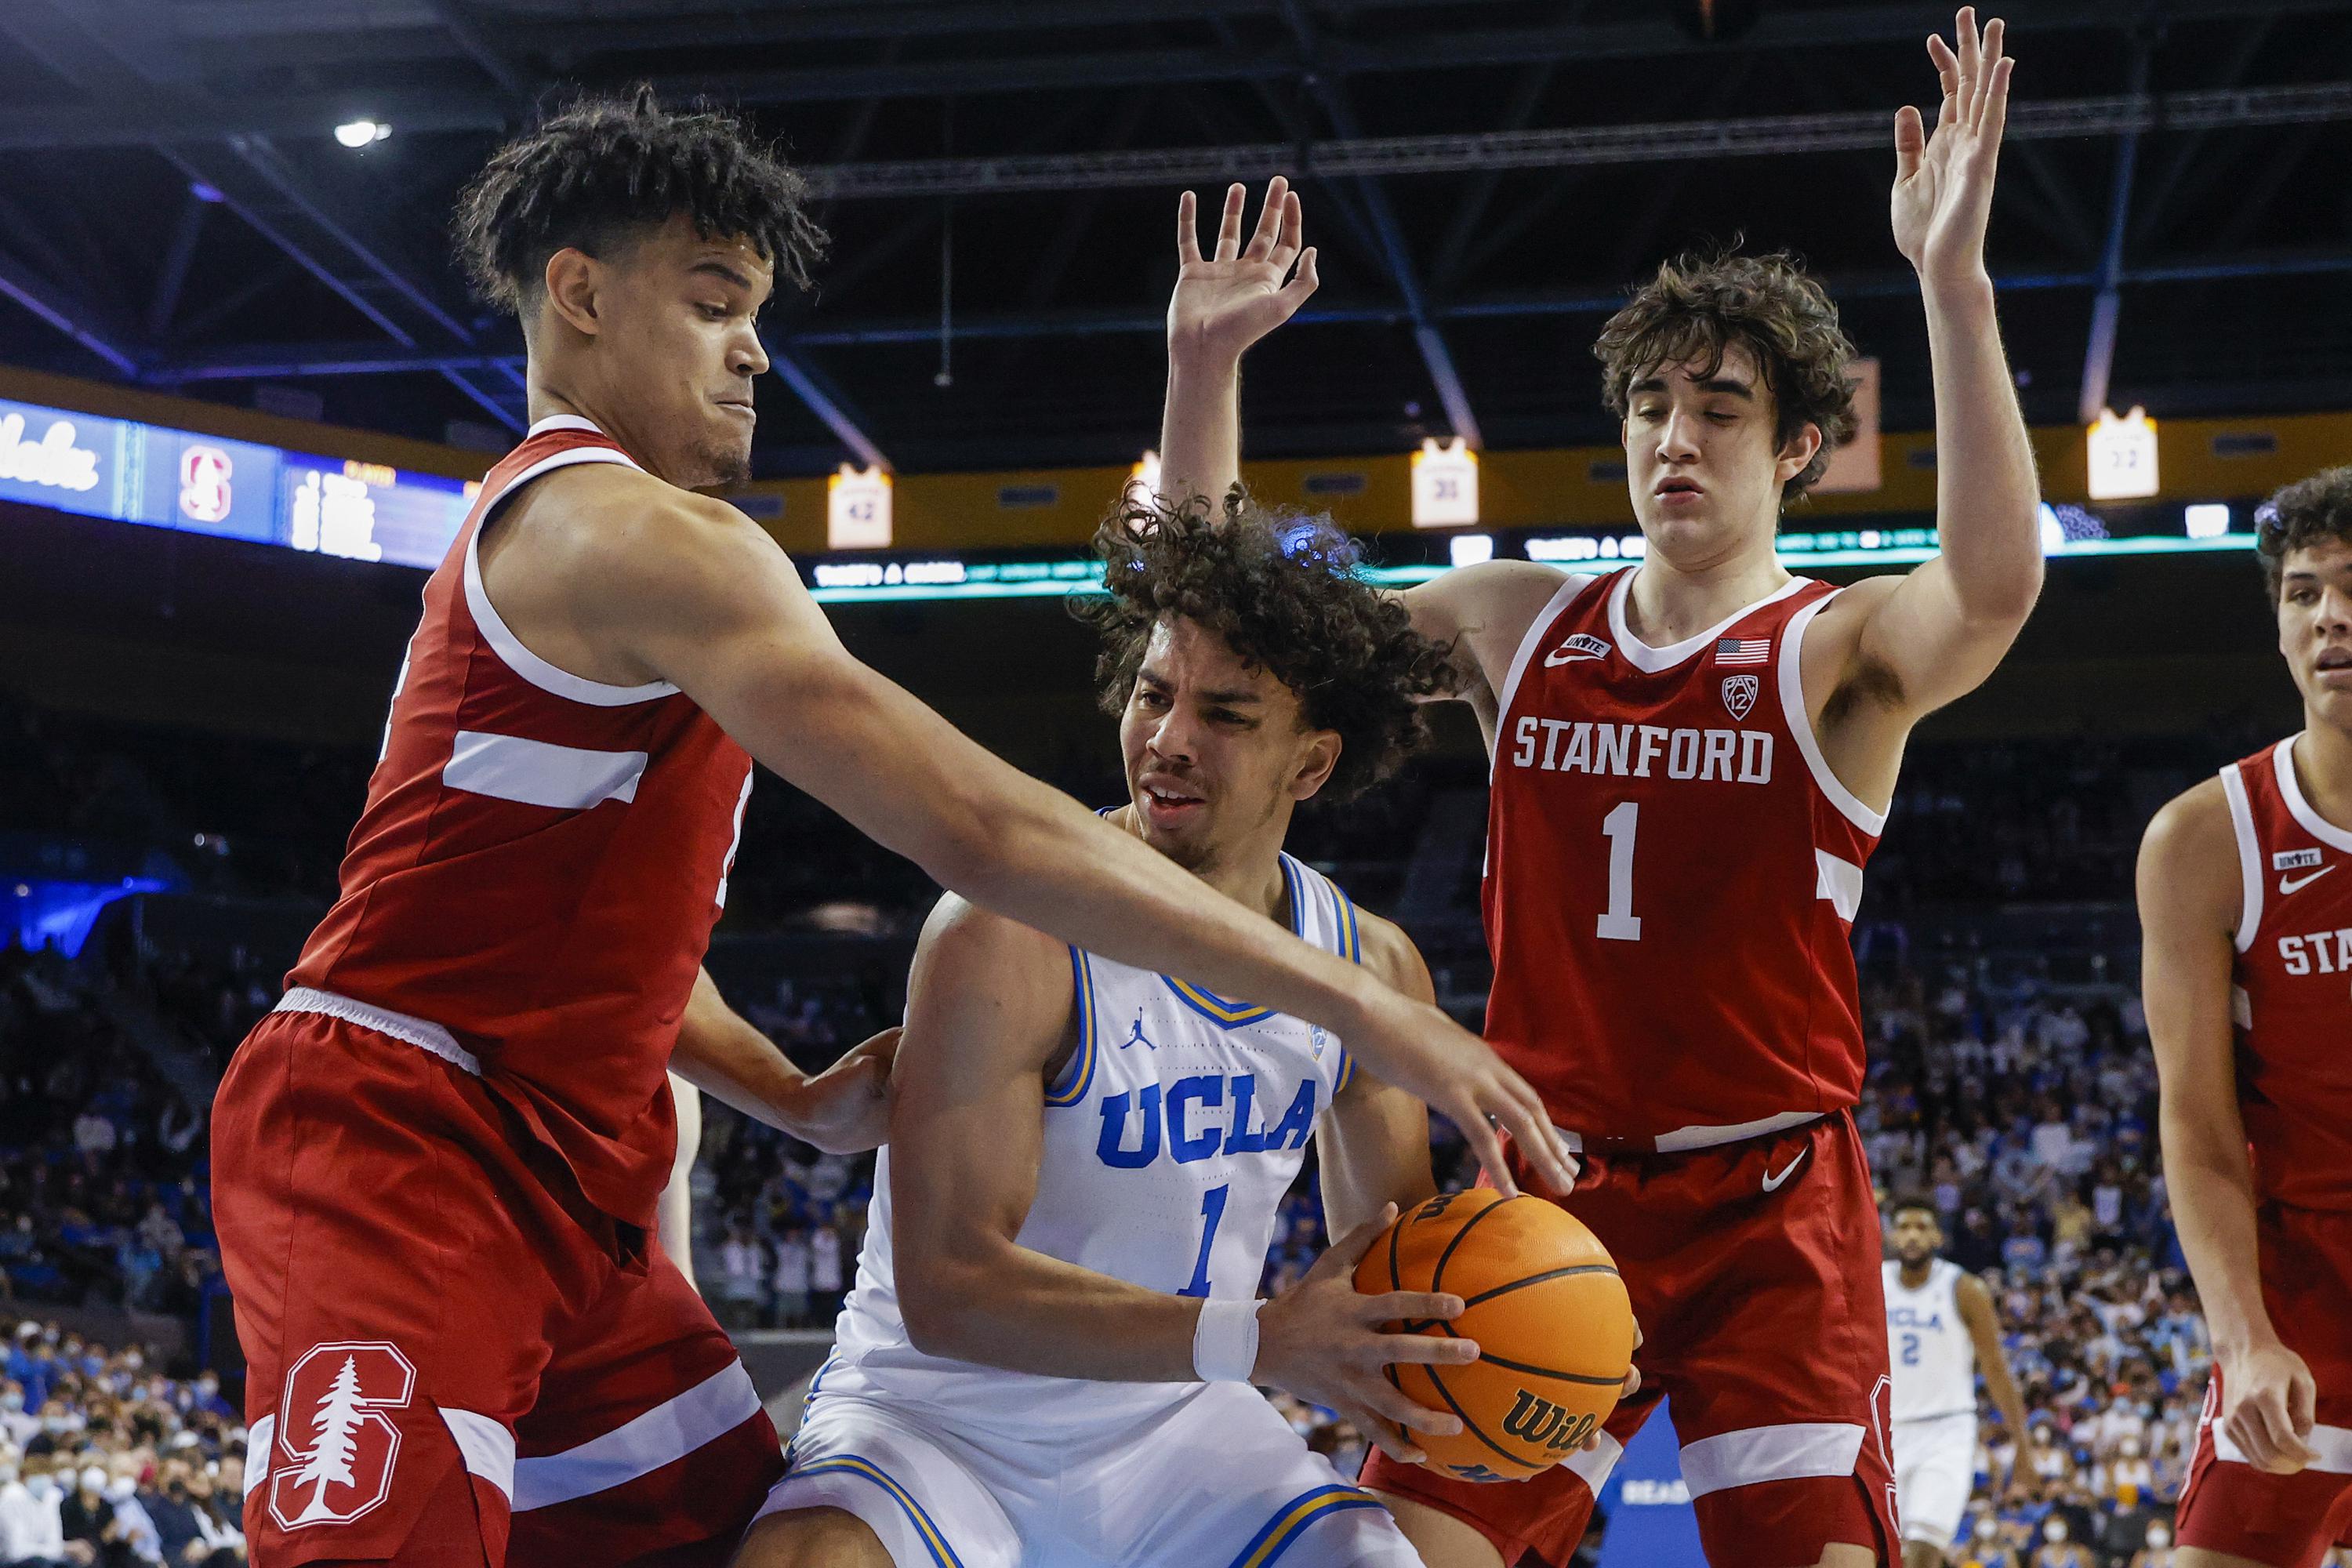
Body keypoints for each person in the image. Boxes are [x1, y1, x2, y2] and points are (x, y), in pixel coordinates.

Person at [208, 89, 1566, 1568]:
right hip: (406, 1145)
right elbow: (983, 826)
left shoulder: (601, 557)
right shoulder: (639, 535)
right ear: (578, 296)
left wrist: (782, 1091)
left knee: (711, 1540)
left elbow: (589, 931)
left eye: (757, 312)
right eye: (715, 303)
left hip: (566, 1177)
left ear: (1311, 765)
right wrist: (1375, 1013)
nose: (756, 350)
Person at [1155, 10, 2039, 1564]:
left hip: (1772, 1202)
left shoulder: (1831, 650)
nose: (1675, 438)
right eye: (1651, 407)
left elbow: (1991, 582)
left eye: (1719, 409)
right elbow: (1245, 609)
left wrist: (1953, 285)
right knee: (1405, 1555)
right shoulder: (1520, 618)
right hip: (1548, 1188)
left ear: (1804, 450)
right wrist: (1205, 366)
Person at [740, 499, 1477, 1567]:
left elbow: (1394, 1280)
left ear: (1311, 766)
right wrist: (1261, 1339)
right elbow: (950, 1294)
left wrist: (1524, 1350)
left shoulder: (1369, 964)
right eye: (1153, 695)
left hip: (1181, 1430)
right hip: (942, 1423)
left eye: (1225, 716)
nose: (1170, 743)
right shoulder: (1008, 928)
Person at [2137, 465, 2352, 1568]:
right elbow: (2200, 1131)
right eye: (2305, 593)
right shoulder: (2205, 842)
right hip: (2304, 1302)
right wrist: (2244, 1338)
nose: (2334, 617)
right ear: (2278, 628)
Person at [1885, 1197, 2034, 1566]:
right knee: (1881, 1552)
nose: (1913, 1236)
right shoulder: (1874, 1282)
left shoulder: (1964, 1289)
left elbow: (1996, 1370)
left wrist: (2023, 1447)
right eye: (1904, 1227)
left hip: (1946, 1431)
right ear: (1892, 1236)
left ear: (1937, 1236)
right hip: (1885, 1433)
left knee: (1922, 1549)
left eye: (1922, 1227)